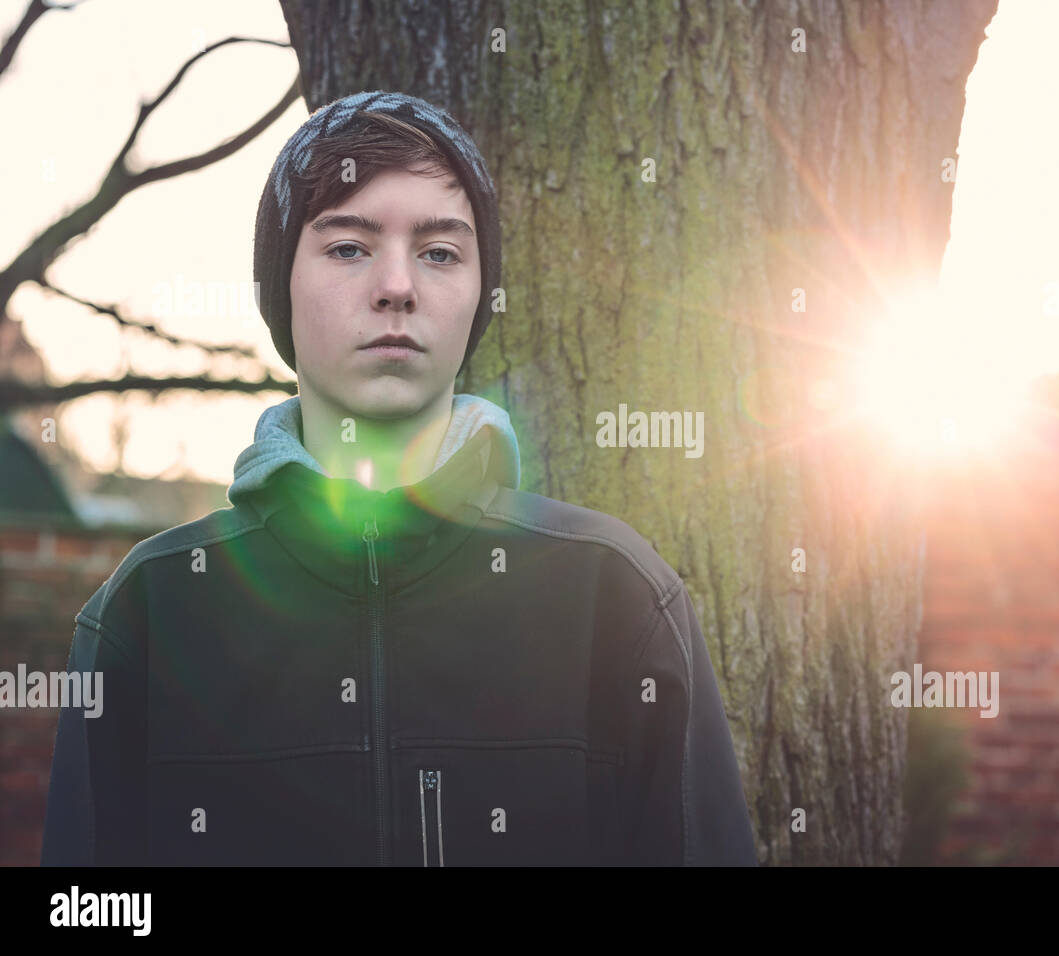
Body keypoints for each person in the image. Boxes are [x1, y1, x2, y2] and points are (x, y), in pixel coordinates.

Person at [39, 90, 757, 866]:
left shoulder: (615, 596)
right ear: (279, 286)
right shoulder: (150, 611)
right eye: (347, 247)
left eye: (440, 251)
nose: (397, 286)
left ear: (481, 295)